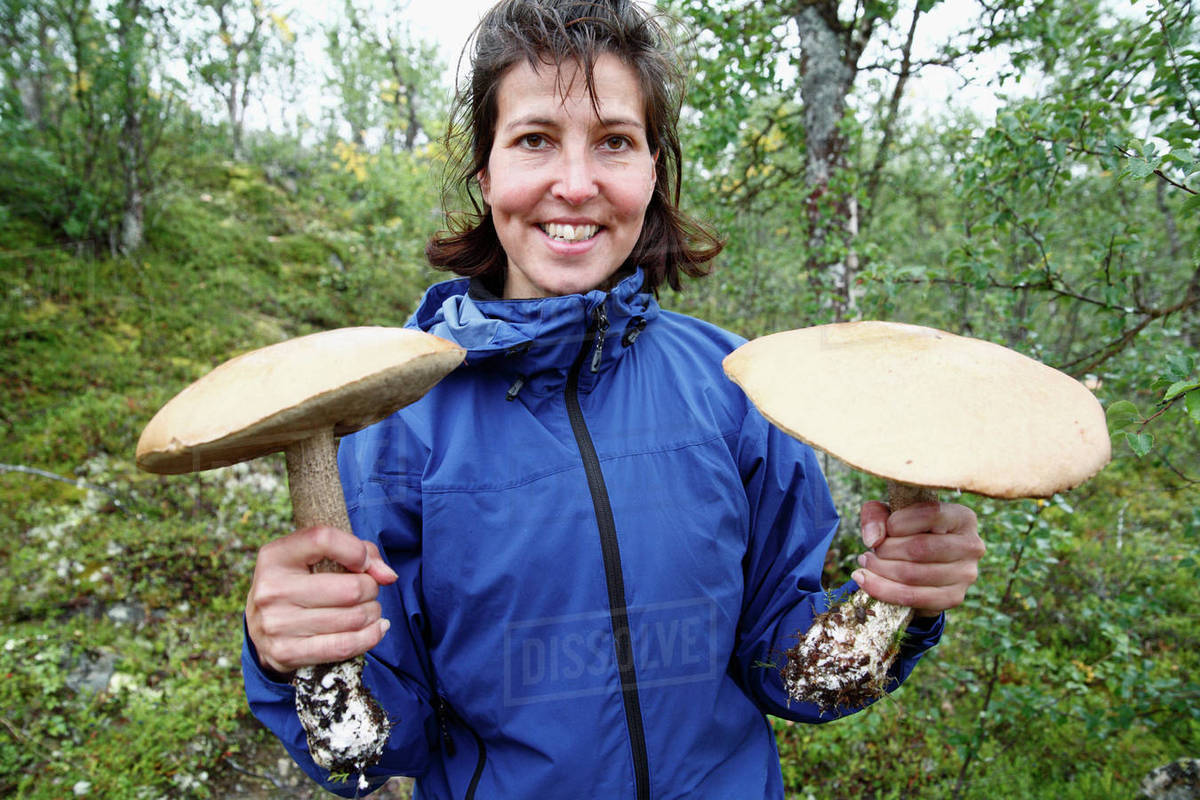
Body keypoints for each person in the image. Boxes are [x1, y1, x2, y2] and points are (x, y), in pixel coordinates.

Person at [242, 1, 985, 797]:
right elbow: (389, 743)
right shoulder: (394, 423)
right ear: (486, 173)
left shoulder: (737, 387)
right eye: (534, 140)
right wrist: (294, 653)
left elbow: (785, 670)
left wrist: (897, 600)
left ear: (652, 168)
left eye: (614, 143)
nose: (575, 184)